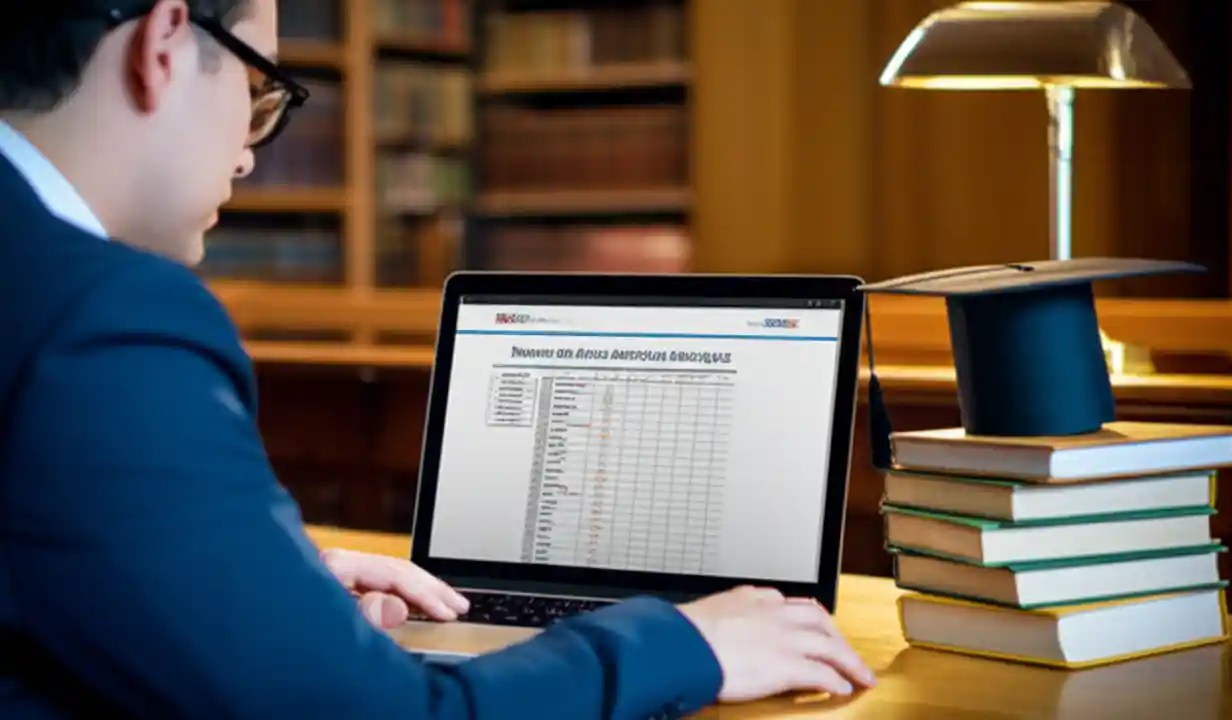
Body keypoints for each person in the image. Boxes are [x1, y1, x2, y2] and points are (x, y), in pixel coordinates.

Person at [0, 2, 876, 717]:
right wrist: (688, 645)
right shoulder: (101, 316)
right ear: (162, 45)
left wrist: (233, 582)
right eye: (261, 90)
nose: (246, 150)